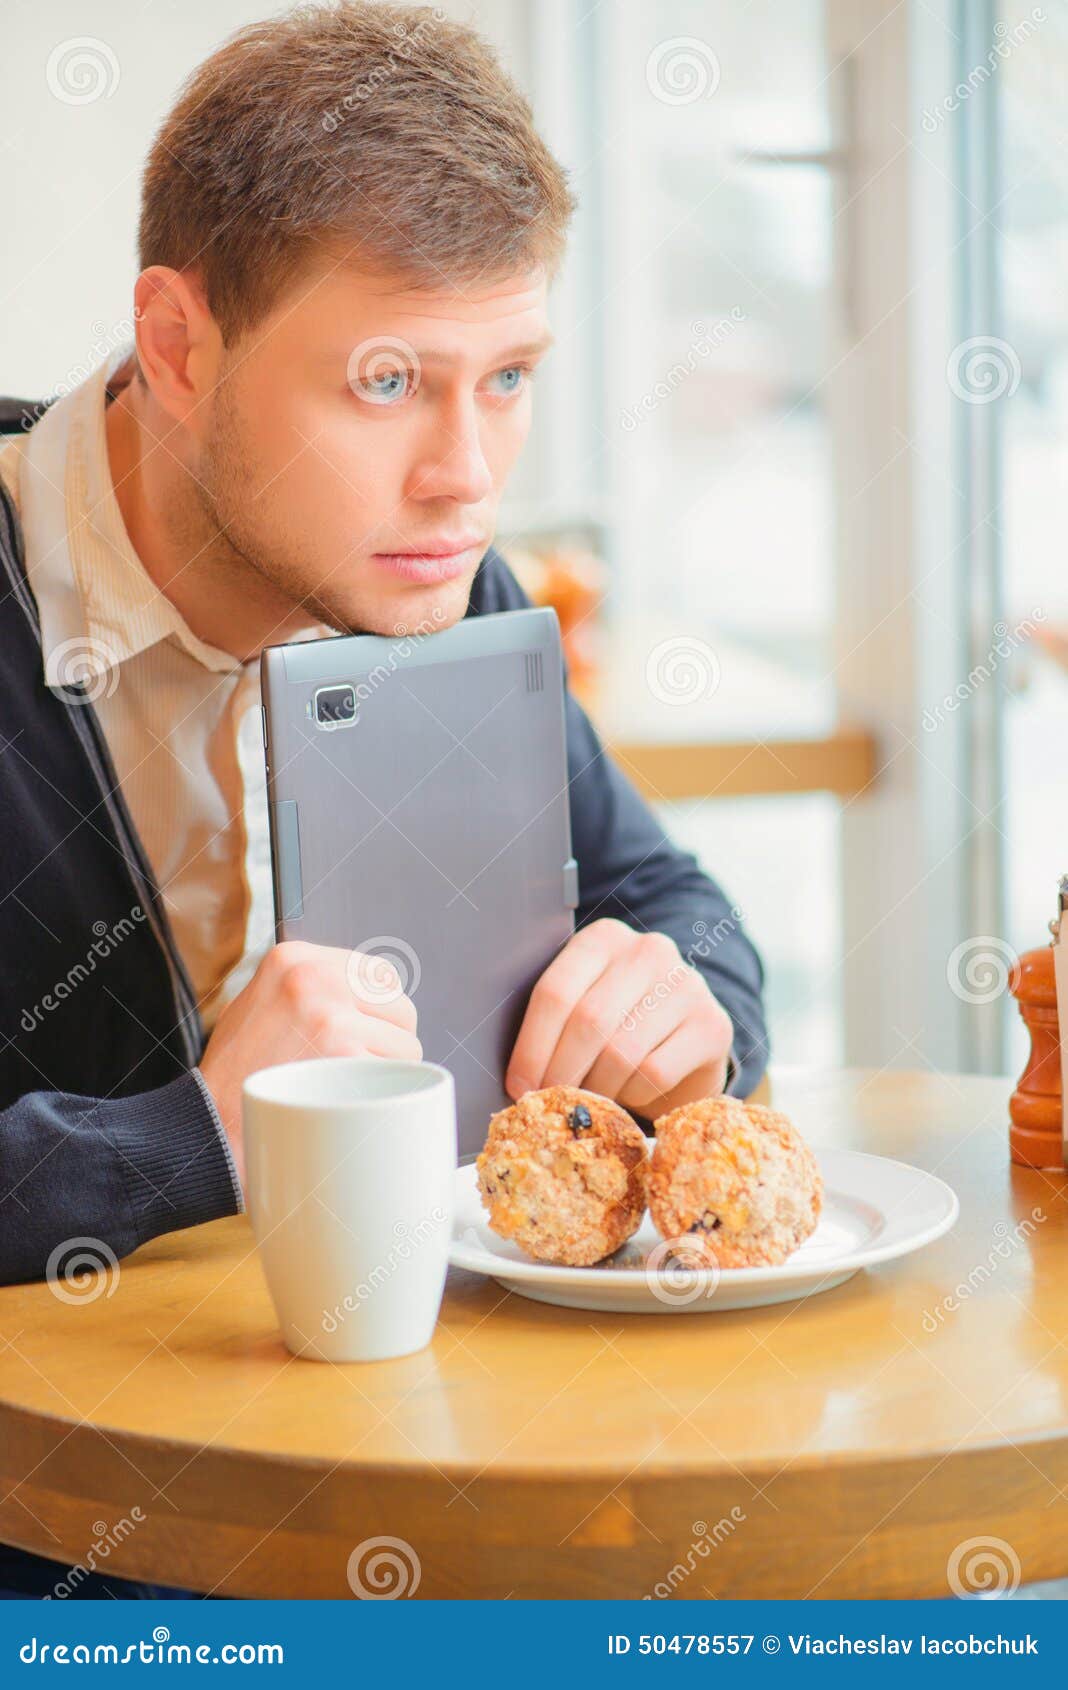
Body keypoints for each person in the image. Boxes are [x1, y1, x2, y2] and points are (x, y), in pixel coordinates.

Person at [0, 1, 766, 1595]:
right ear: (180, 348)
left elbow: (673, 902)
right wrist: (197, 1132)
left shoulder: (440, 589)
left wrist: (680, 1000)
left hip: (413, 1504)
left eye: (508, 378)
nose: (465, 474)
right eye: (388, 380)